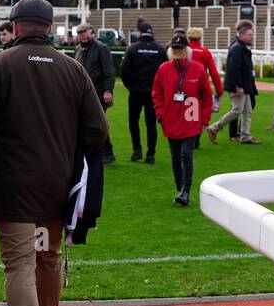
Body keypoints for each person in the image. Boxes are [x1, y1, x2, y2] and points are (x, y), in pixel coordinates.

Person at [0, 0, 107, 306]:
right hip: (55, 191)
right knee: (46, 260)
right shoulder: (73, 70)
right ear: (50, 28)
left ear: (15, 26)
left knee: (19, 267)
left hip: (12, 191)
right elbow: (97, 133)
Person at [152, 34, 213, 206]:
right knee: (174, 157)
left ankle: (185, 191)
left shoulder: (198, 69)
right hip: (170, 118)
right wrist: (160, 114)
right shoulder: (164, 69)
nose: (177, 51)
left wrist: (205, 119)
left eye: (180, 48)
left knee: (186, 154)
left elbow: (207, 96)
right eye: (175, 48)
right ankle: (180, 188)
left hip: (191, 116)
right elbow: (157, 93)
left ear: (186, 50)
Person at [205, 20, 259, 145]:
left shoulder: (242, 47)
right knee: (237, 111)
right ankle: (214, 128)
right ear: (242, 35)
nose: (252, 37)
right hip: (238, 86)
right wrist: (238, 86)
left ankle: (245, 136)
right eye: (250, 35)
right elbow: (233, 69)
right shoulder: (237, 48)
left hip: (245, 85)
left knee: (247, 111)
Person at [118, 24, 165, 162]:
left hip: (136, 91)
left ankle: (137, 150)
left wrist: (130, 86)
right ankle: (150, 154)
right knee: (151, 123)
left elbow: (124, 70)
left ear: (140, 32)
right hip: (153, 92)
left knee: (134, 120)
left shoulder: (133, 48)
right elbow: (165, 71)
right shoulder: (160, 49)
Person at [74, 23, 116, 163]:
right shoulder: (78, 49)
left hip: (98, 92)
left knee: (98, 122)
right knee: (89, 122)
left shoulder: (101, 48)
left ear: (92, 32)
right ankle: (98, 151)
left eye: (85, 32)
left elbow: (108, 70)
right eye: (80, 33)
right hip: (83, 93)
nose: (83, 35)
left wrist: (108, 90)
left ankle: (107, 152)